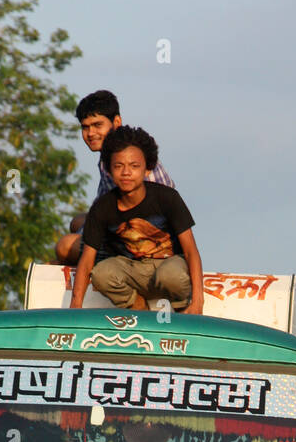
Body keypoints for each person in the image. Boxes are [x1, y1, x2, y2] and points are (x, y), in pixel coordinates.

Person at [69, 126, 203, 315]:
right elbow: (87, 260)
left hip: (169, 265)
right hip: (133, 269)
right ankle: (138, 307)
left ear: (147, 169)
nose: (126, 173)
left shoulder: (167, 198)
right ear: (108, 170)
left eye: (134, 166)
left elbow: (191, 252)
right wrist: (75, 305)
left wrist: (198, 301)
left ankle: (183, 308)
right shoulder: (102, 207)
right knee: (101, 273)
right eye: (119, 166)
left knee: (170, 275)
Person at [54, 90, 174, 266]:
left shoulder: (125, 154)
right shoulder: (109, 155)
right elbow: (102, 207)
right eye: (85, 127)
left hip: (147, 240)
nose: (91, 133)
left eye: (97, 125)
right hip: (125, 227)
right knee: (77, 222)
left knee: (64, 247)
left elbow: (142, 214)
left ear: (116, 122)